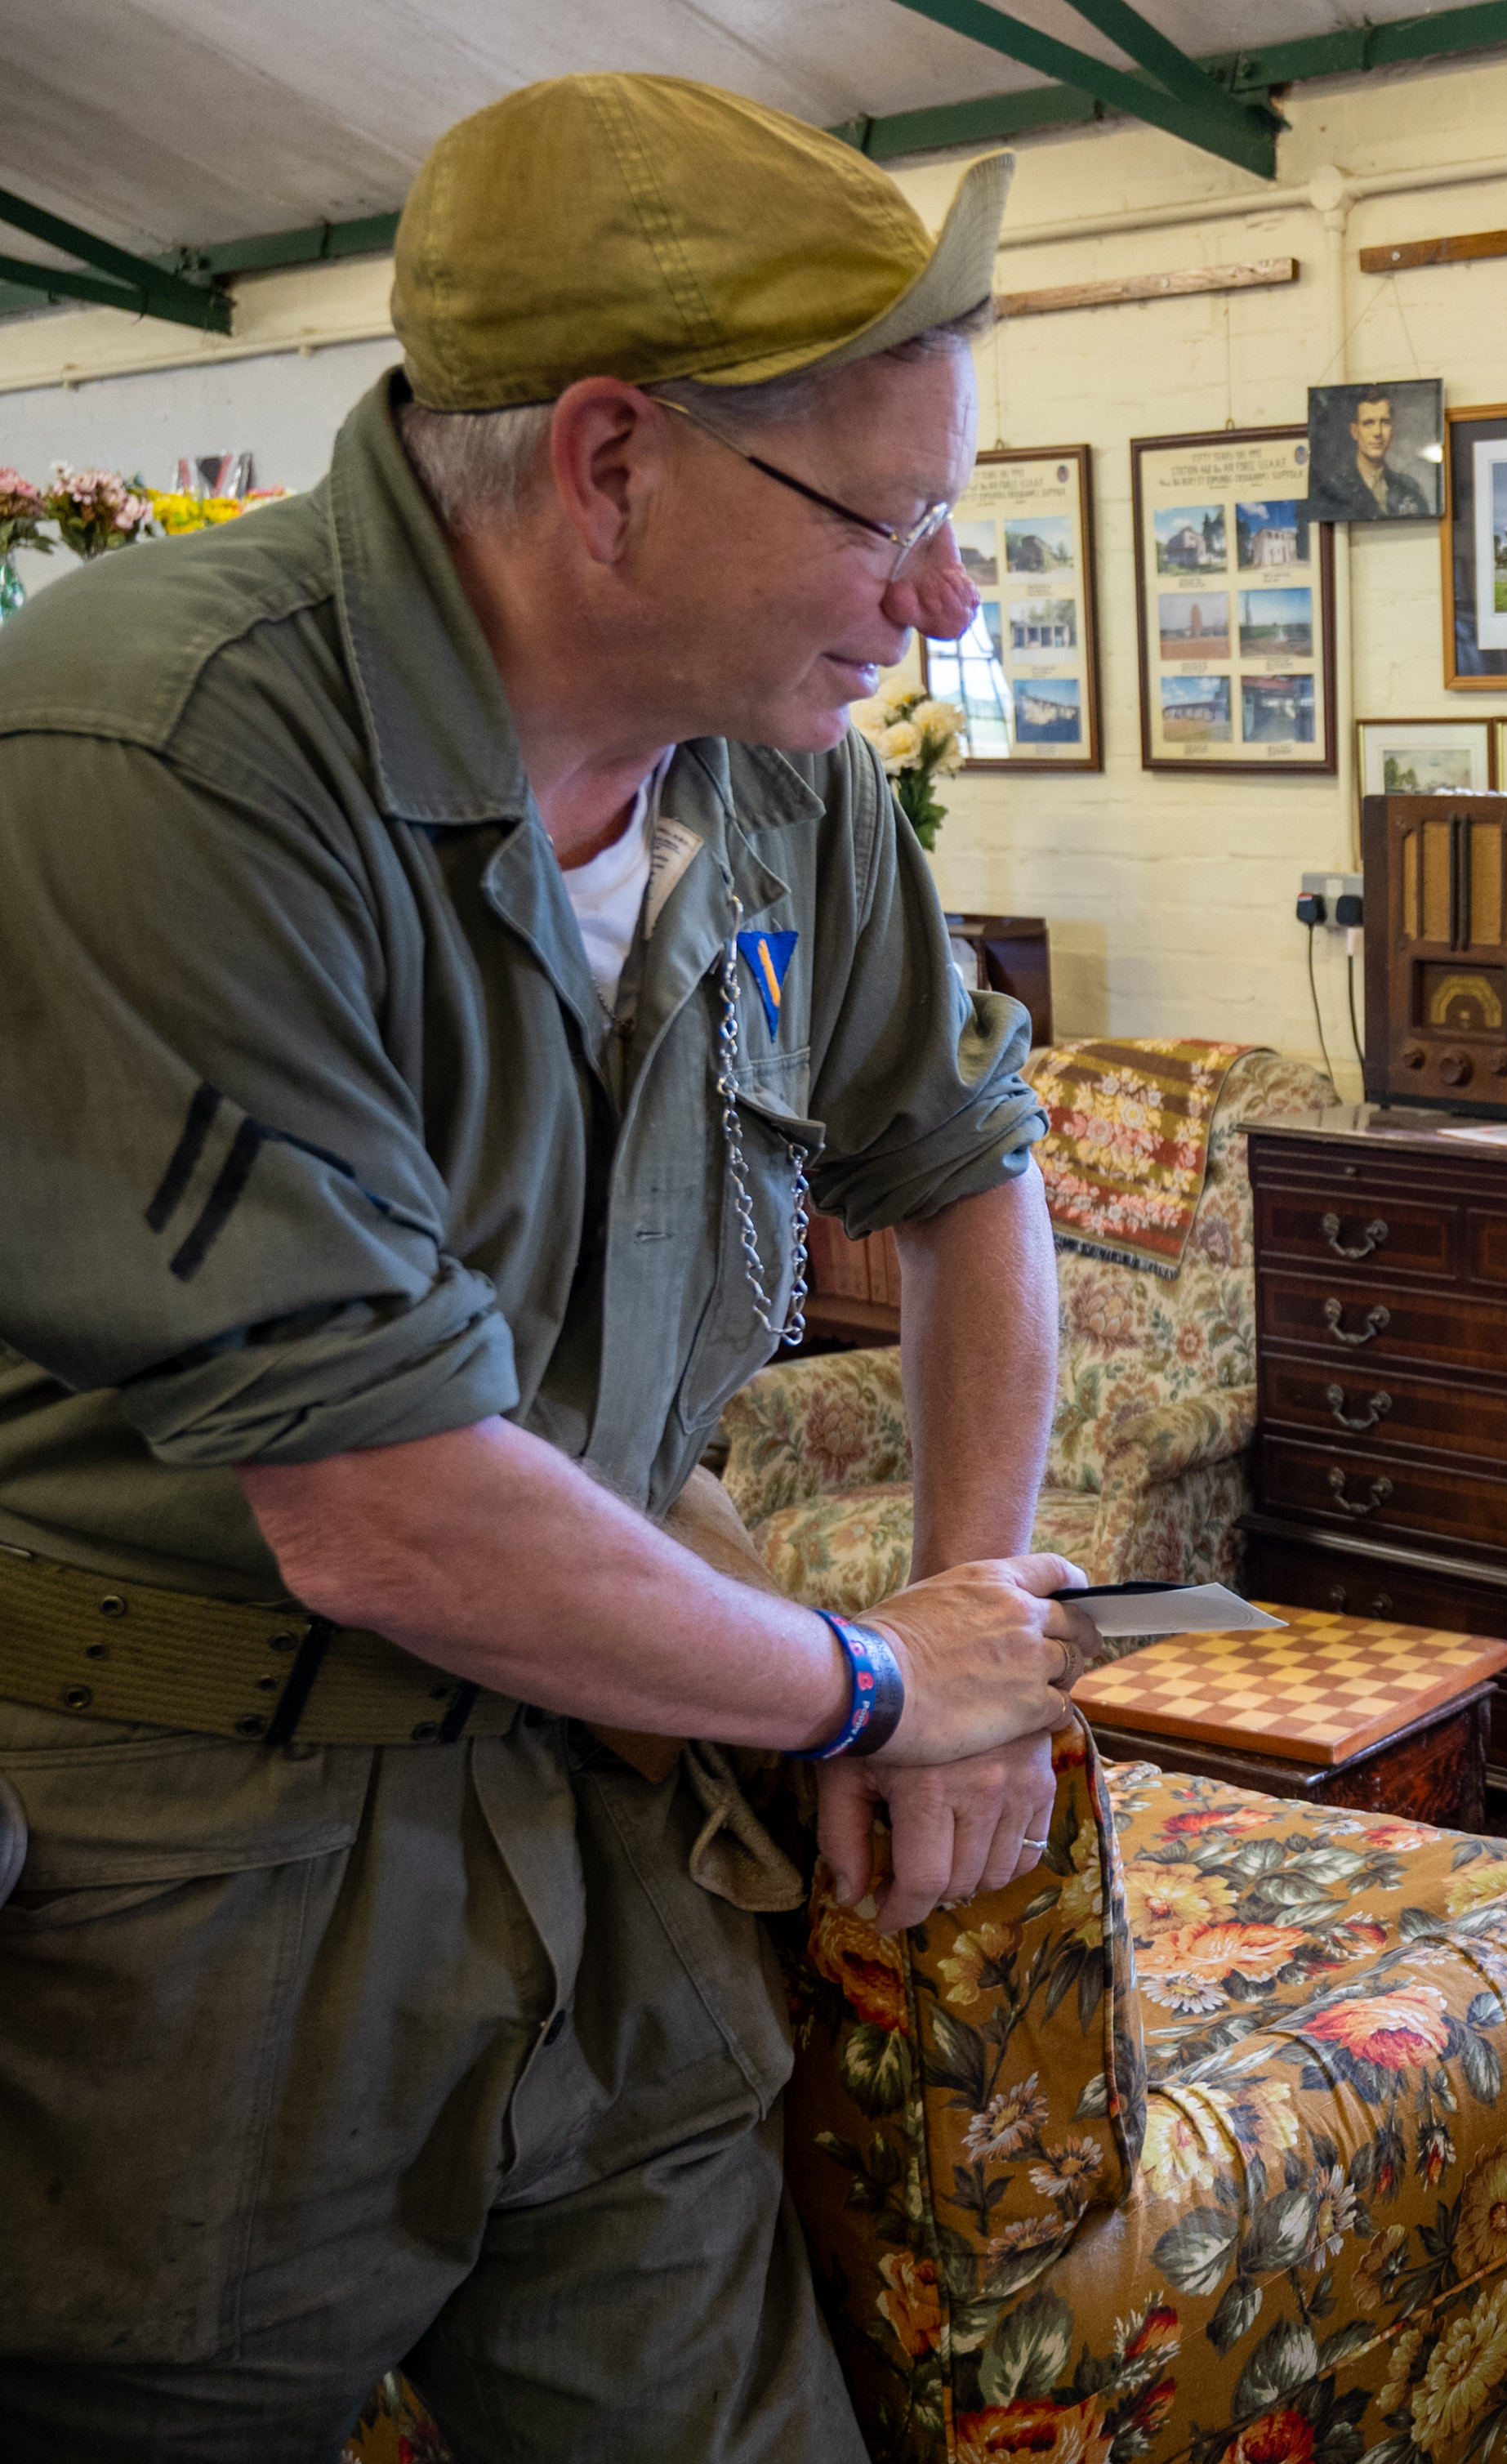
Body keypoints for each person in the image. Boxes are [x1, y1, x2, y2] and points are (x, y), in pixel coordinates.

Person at [0, 75, 1102, 2462]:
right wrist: (857, 1687)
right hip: (187, 1888)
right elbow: (376, 1503)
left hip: (597, 1809)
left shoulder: (771, 757)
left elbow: (971, 1160)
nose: (949, 597)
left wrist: (971, 1600)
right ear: (611, 466)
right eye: (893, 521)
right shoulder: (159, 741)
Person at [1317, 386, 1430, 520]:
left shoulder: (1410, 490)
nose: (1377, 432)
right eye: (1368, 423)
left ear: (1392, 430)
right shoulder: (1334, 491)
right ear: (1355, 431)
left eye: (1385, 422)